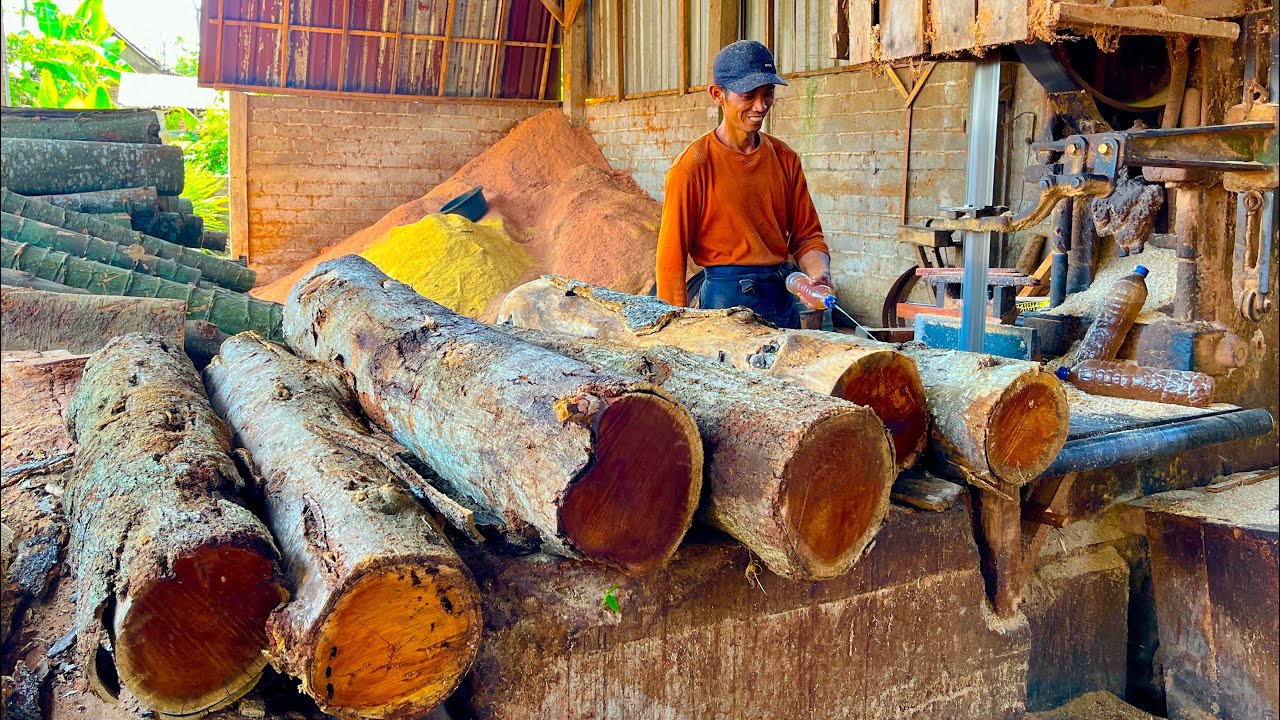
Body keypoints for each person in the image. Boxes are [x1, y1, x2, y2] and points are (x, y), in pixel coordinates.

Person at [655, 39, 832, 329]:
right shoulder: (692, 167)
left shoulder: (785, 159)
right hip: (724, 307)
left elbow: (807, 237)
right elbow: (670, 260)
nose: (761, 106)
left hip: (780, 299)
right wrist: (674, 332)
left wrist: (818, 273)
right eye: (748, 95)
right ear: (717, 95)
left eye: (768, 94)